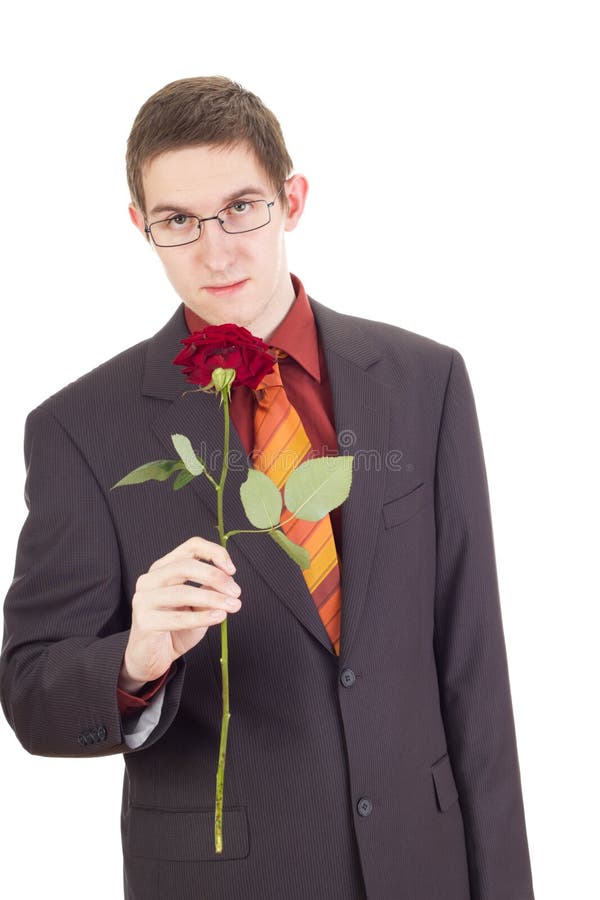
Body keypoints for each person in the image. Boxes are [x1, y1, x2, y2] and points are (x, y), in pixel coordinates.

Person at [0, 76, 535, 899]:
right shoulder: (79, 427)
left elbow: (474, 668)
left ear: (293, 199)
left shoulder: (425, 382)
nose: (216, 252)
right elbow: (33, 693)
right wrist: (134, 659)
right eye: (179, 221)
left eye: (241, 207)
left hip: (422, 865)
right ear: (141, 227)